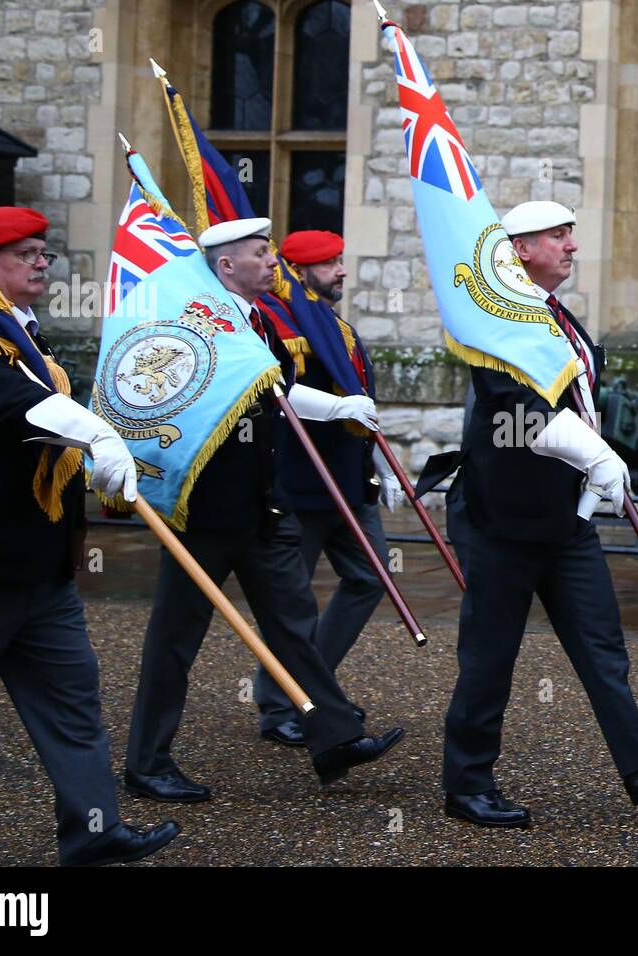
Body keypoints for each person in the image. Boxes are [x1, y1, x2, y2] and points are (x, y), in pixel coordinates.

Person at [0, 206, 179, 866]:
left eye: (42, 252)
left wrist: (98, 456)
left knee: (72, 709)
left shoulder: (25, 337)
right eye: (22, 253)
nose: (40, 262)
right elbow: (8, 403)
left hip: (39, 570)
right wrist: (94, 431)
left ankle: (95, 834)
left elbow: (38, 424)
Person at [438, 201, 638, 828]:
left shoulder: (555, 317)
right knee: (490, 658)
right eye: (557, 236)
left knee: (601, 647)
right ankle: (466, 782)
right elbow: (521, 415)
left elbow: (579, 402)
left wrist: (596, 470)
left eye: (570, 234)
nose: (571, 246)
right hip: (501, 520)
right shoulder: (495, 325)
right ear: (519, 250)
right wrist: (598, 455)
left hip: (564, 519)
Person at [123, 217, 403, 803]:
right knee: (175, 639)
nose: (273, 262)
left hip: (263, 508)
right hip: (203, 512)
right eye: (259, 253)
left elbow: (279, 388)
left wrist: (338, 407)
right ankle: (147, 762)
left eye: (271, 252)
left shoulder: (255, 322)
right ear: (226, 266)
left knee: (295, 626)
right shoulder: (198, 324)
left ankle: (332, 737)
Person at [251, 229, 402, 746]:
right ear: (297, 269)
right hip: (300, 482)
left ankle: (316, 688)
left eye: (340, 260)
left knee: (369, 577)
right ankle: (280, 706)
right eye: (330, 263)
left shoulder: (330, 322)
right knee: (291, 604)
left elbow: (359, 395)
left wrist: (378, 458)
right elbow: (276, 391)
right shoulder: (278, 319)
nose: (341, 271)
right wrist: (338, 408)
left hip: (349, 479)